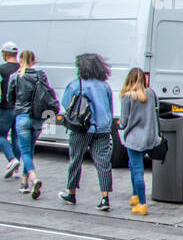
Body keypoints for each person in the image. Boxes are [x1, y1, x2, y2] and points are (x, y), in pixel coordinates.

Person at [58, 53, 115, 210]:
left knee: (75, 160)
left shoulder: (76, 84)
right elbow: (110, 107)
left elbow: (66, 103)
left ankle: (71, 193)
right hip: (102, 129)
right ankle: (105, 198)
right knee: (103, 163)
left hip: (81, 128)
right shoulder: (105, 86)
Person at [9, 50, 59, 198]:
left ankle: (33, 177)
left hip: (22, 116)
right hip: (38, 117)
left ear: (20, 60)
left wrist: (17, 107)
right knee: (30, 149)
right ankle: (24, 183)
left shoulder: (15, 77)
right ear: (34, 60)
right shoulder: (41, 75)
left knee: (24, 150)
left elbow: (9, 98)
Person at [118, 68, 160, 215]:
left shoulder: (127, 97)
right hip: (149, 137)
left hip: (134, 139)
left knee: (137, 171)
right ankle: (135, 196)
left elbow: (123, 122)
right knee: (133, 165)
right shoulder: (151, 94)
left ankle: (142, 203)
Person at [0, 41, 20, 177]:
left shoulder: (1, 69)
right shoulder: (22, 68)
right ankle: (16, 169)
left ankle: (12, 160)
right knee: (16, 138)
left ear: (5, 53)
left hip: (5, 108)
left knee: (1, 136)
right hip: (21, 109)